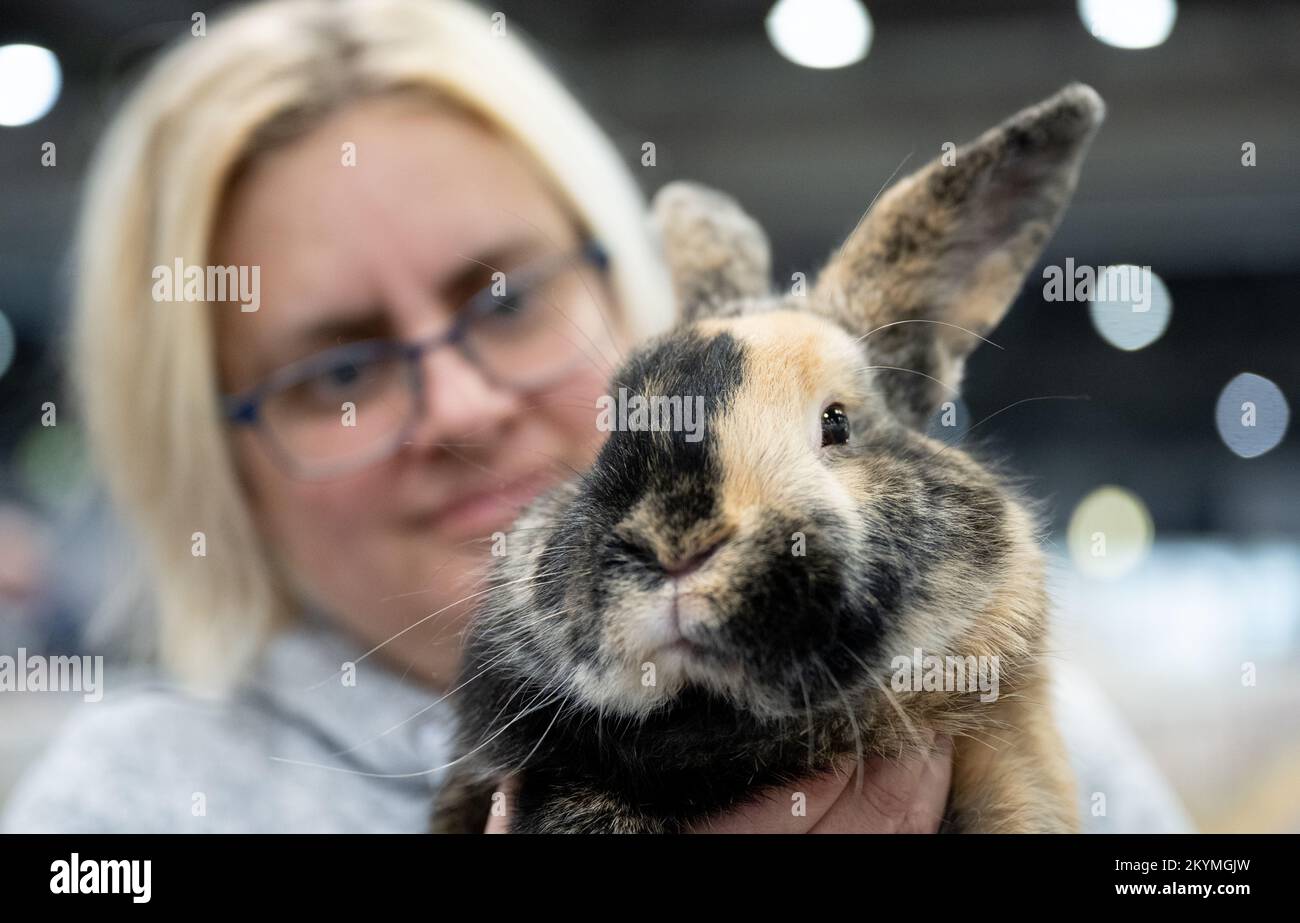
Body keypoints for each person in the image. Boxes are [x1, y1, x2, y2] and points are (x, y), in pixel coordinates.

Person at [0, 0, 1189, 834]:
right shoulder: (140, 800)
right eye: (339, 372)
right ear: (221, 458)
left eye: (506, 300)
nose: (459, 407)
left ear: (626, 291)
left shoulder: (972, 680)